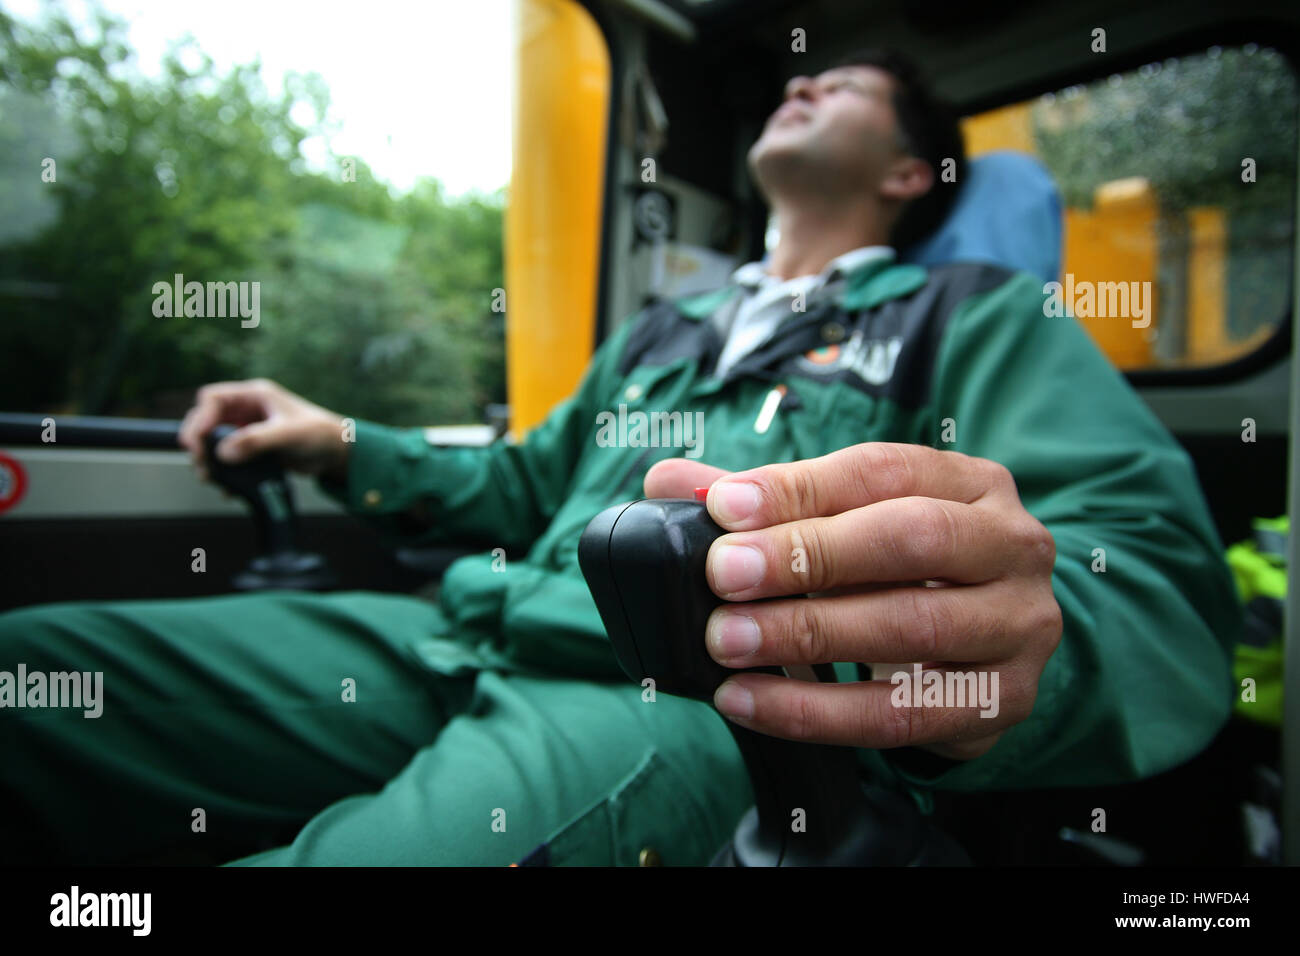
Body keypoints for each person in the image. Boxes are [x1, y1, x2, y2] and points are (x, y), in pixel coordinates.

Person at [0, 49, 1240, 866]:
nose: (802, 87)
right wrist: (339, 438)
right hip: (453, 632)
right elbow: (516, 492)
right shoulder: (661, 333)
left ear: (911, 171)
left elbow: (1150, 578)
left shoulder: (973, 315)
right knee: (33, 678)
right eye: (793, 85)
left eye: (847, 84)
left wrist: (1025, 646)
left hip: (685, 701)